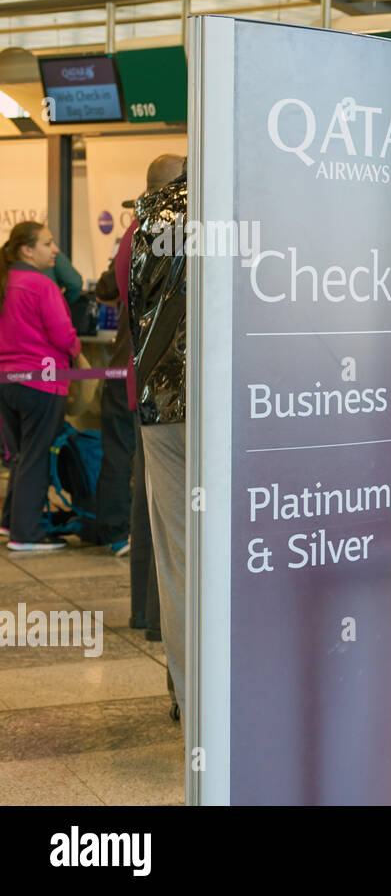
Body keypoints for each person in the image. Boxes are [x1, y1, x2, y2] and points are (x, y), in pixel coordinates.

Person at [95, 154, 184, 631]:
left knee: (149, 499)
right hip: (160, 386)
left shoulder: (136, 232)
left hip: (144, 381)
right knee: (158, 504)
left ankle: (145, 611)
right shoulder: (159, 231)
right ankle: (154, 615)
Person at [127, 165, 188, 720]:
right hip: (234, 408)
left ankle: (188, 699)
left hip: (160, 405)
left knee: (175, 556)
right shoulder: (232, 210)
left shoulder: (143, 224)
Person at [0, 222, 81, 551]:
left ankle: (10, 523)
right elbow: (63, 334)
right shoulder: (40, 285)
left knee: (19, 456)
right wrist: (77, 353)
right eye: (48, 243)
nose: (55, 249)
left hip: (7, 381)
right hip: (42, 381)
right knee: (34, 457)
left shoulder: (7, 283)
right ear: (26, 250)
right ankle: (26, 534)